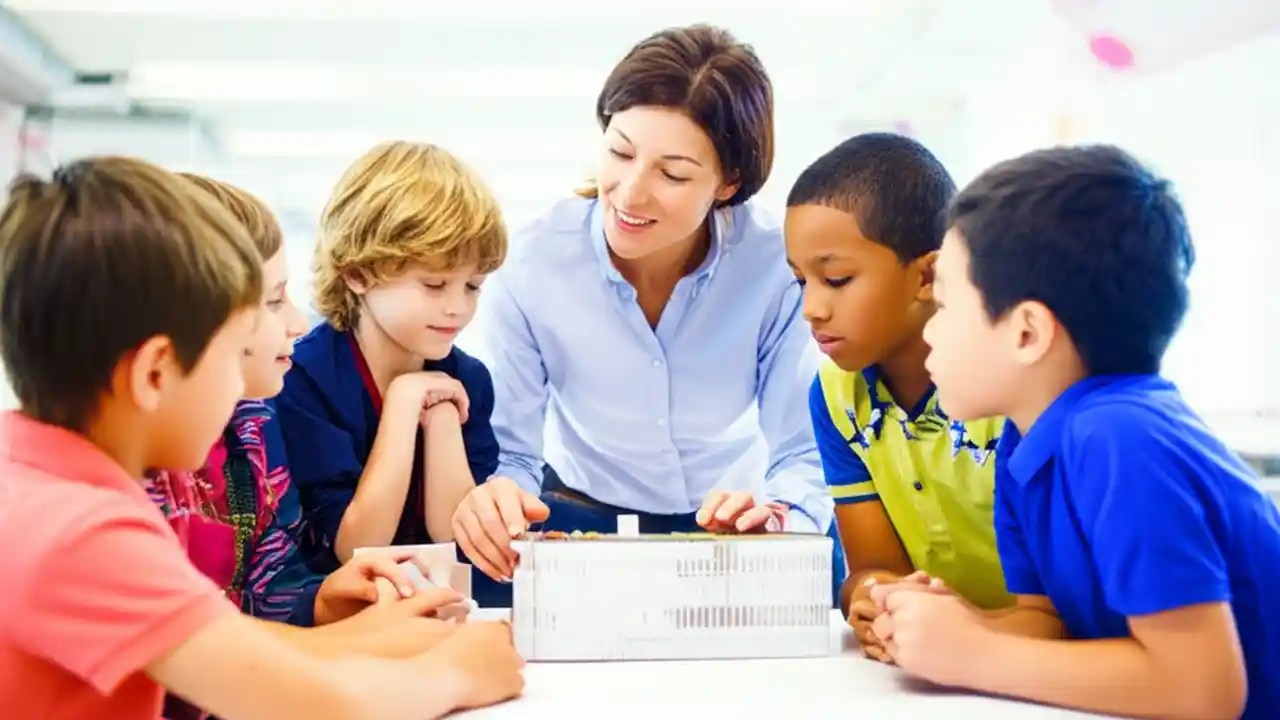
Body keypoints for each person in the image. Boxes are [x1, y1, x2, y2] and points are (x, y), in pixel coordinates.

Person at [0, 157, 524, 719]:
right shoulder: (83, 534)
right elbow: (310, 705)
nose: (250, 397)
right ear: (155, 374)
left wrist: (344, 620)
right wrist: (457, 673)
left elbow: (226, 649)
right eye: (234, 355)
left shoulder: (41, 484)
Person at [872, 145, 1280, 719]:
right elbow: (1050, 623)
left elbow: (1203, 691)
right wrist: (951, 627)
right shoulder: (1024, 442)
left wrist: (975, 654)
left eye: (944, 306)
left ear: (1027, 332)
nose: (929, 334)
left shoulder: (1122, 440)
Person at [454, 24, 835, 595]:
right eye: (620, 152)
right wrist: (498, 501)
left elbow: (802, 449)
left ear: (728, 182)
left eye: (673, 173)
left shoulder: (774, 266)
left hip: (729, 524)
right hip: (576, 515)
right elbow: (513, 452)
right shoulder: (535, 262)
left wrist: (784, 523)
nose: (630, 193)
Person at [784, 133, 1008, 661]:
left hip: (1038, 652)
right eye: (800, 282)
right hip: (931, 658)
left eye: (836, 278)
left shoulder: (1011, 388)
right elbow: (871, 568)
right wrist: (872, 597)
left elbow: (1067, 602)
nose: (811, 308)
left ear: (927, 275)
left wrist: (967, 635)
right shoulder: (836, 397)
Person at [273, 141, 508, 605]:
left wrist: (441, 417)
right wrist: (403, 403)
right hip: (337, 617)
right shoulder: (302, 380)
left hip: (437, 608)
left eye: (473, 286)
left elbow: (455, 536)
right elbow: (357, 548)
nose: (458, 307)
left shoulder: (468, 379)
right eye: (434, 284)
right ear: (357, 274)